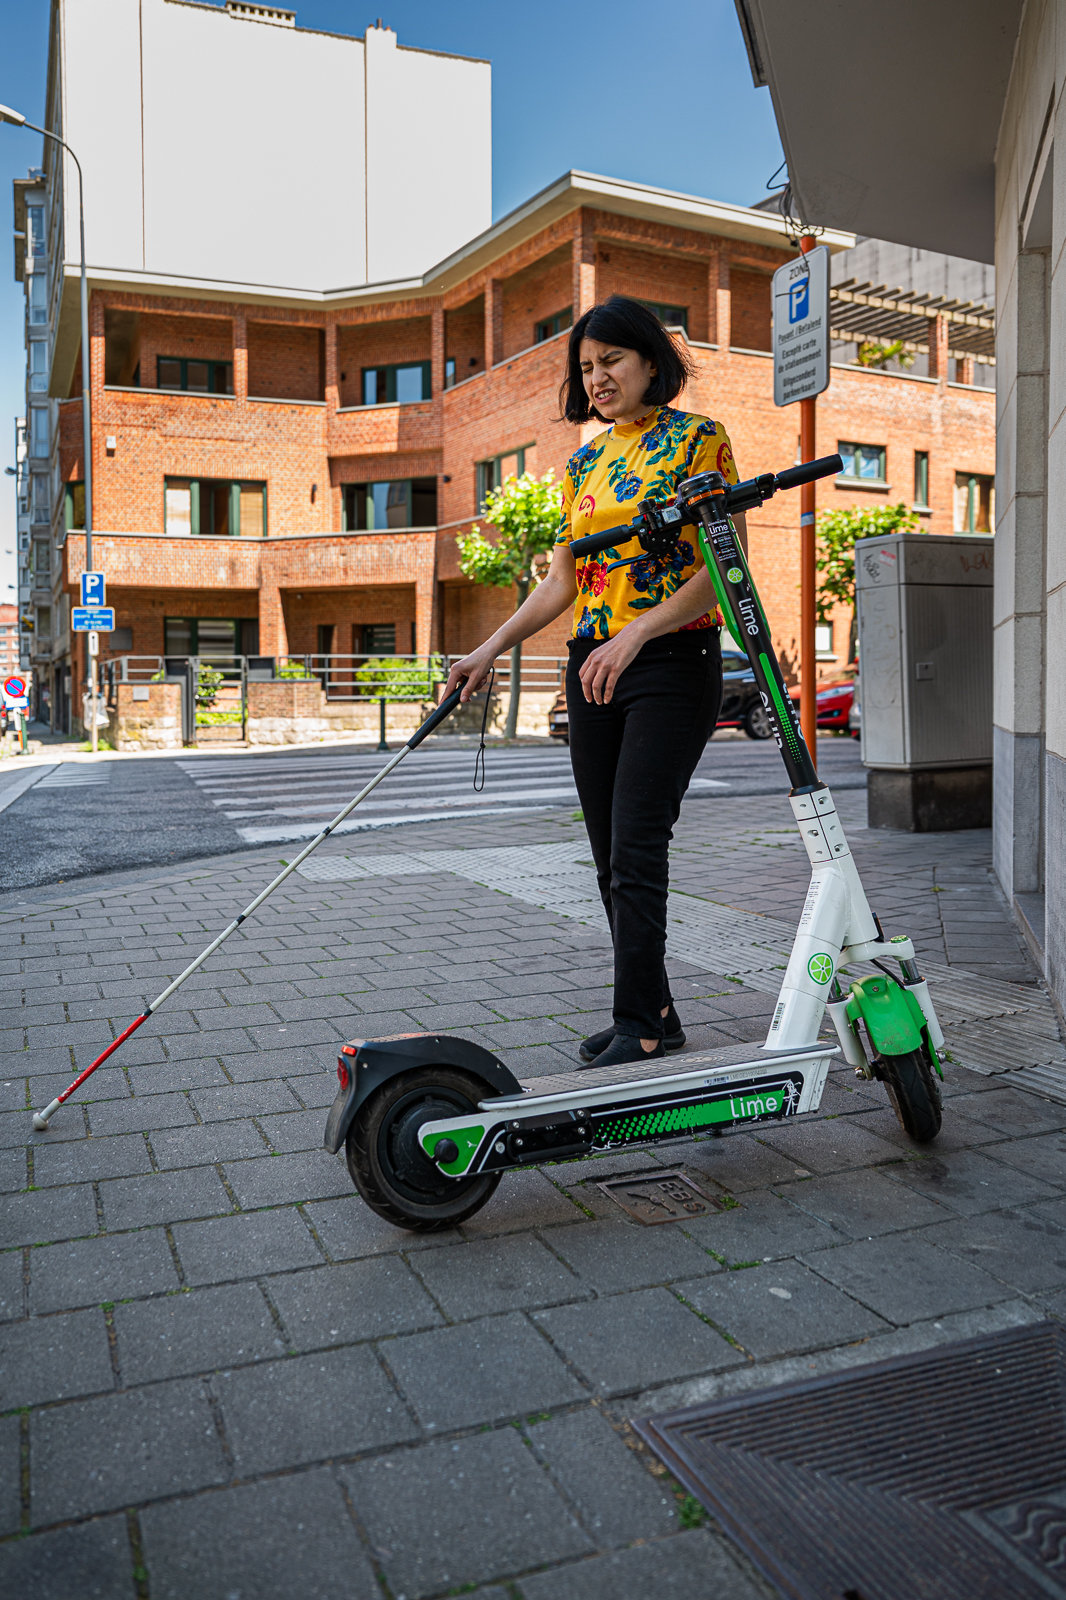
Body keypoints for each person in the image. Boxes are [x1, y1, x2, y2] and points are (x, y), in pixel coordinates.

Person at [444, 295, 745, 1069]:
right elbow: (560, 585)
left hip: (672, 664)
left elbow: (723, 565)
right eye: (586, 366)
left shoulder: (697, 440)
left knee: (640, 842)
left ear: (650, 360)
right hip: (593, 671)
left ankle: (637, 1023)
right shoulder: (583, 462)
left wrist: (638, 630)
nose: (599, 376)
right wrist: (487, 650)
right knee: (610, 853)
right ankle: (659, 1011)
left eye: (611, 359)